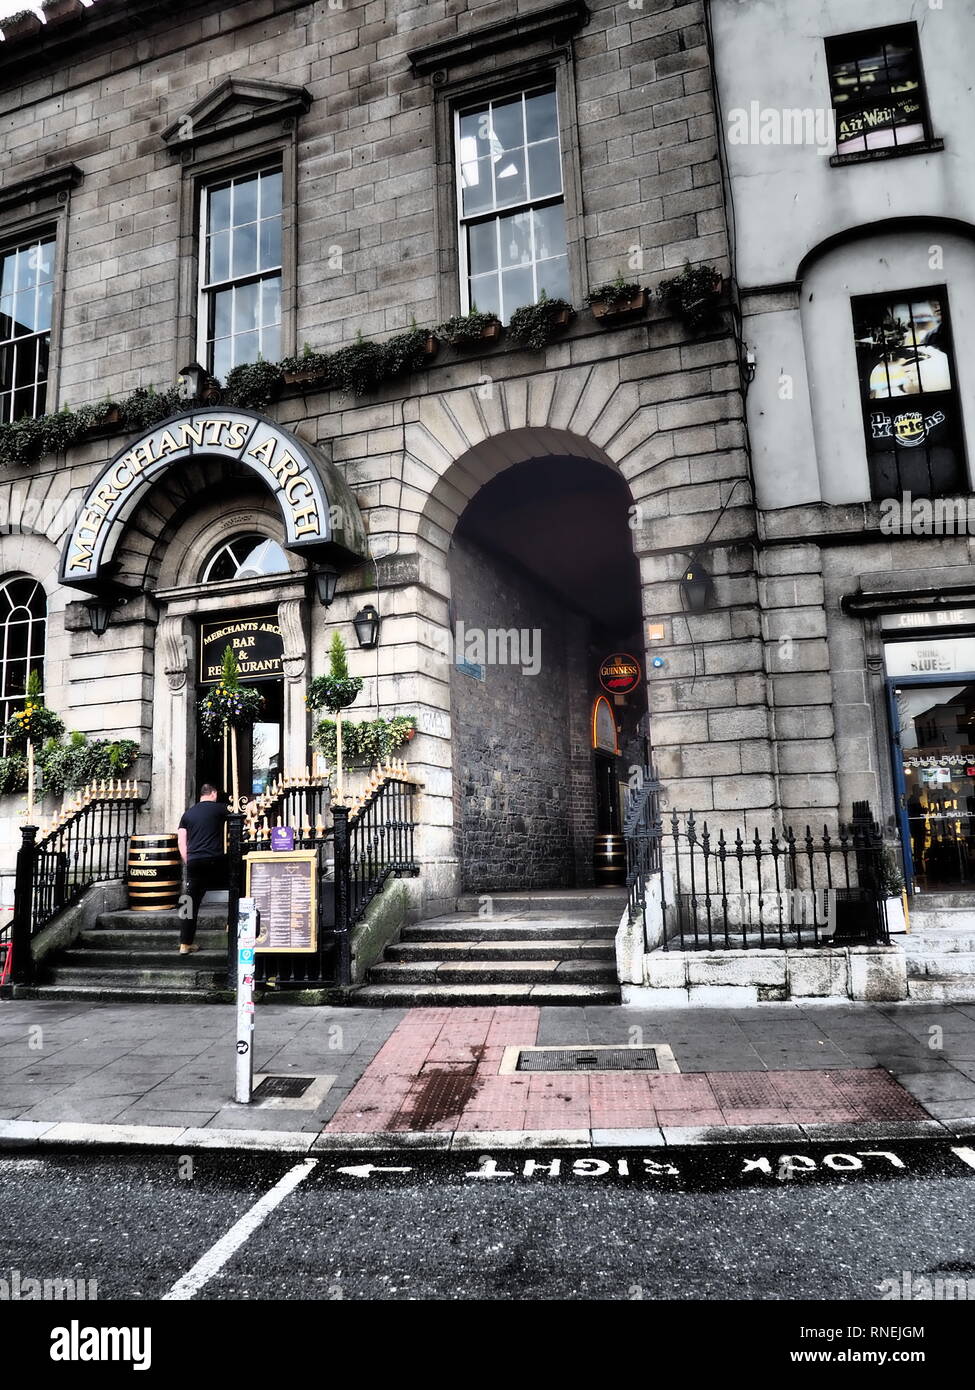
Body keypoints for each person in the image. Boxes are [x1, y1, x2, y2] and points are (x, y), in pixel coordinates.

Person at [176, 784, 229, 955]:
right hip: (215, 860)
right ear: (213, 794)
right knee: (237, 887)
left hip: (194, 862)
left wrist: (188, 860)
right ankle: (231, 925)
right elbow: (238, 816)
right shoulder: (219, 809)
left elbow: (181, 842)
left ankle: (185, 943)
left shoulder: (187, 814)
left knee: (189, 903)